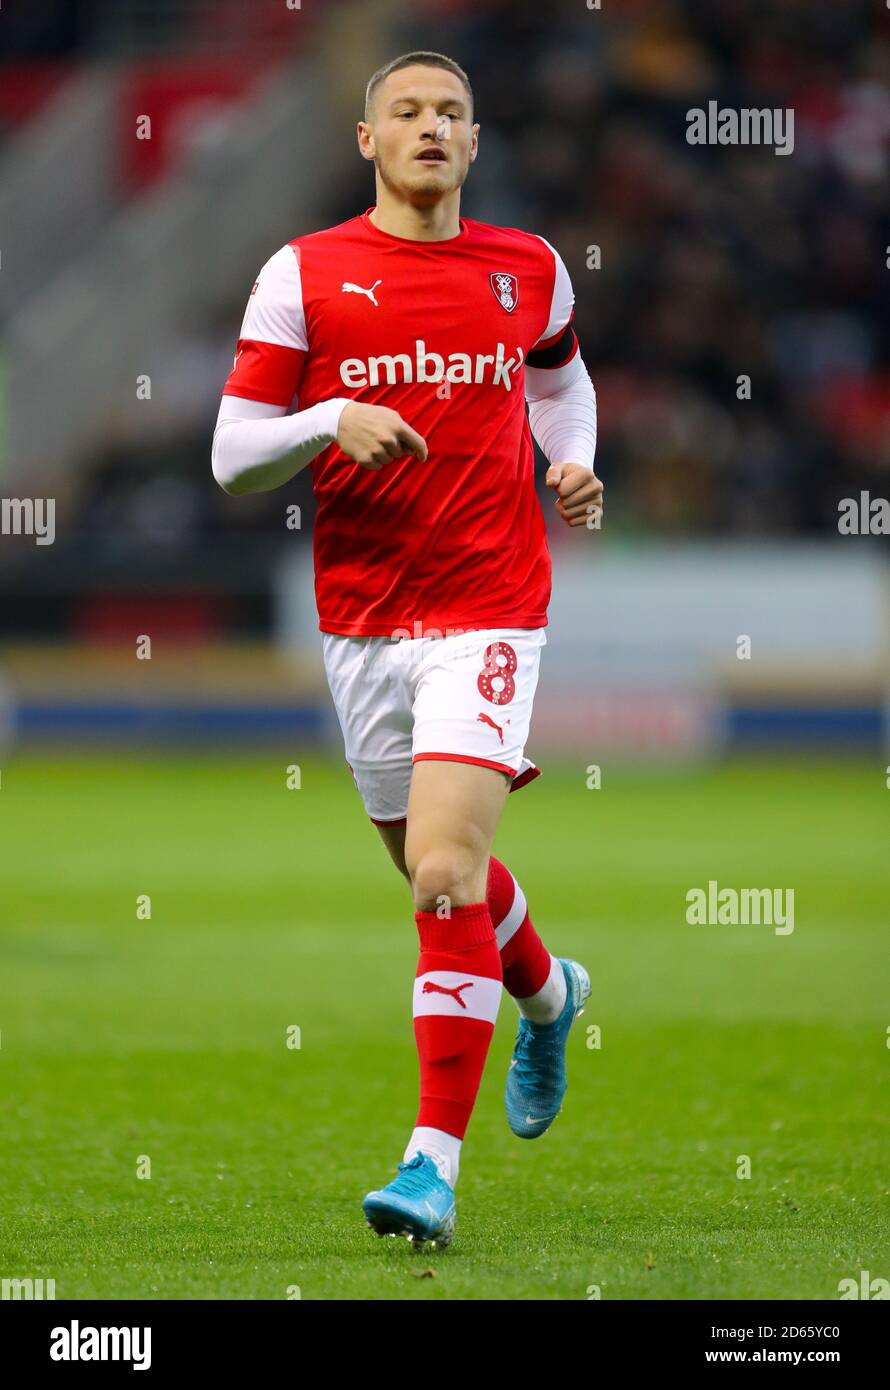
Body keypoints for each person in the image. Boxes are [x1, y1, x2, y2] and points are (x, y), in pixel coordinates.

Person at [212, 50, 602, 1249]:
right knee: (438, 879)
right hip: (361, 619)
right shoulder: (306, 274)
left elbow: (561, 381)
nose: (429, 127)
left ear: (473, 144)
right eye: (405, 112)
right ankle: (546, 992)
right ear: (368, 142)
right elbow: (233, 457)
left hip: (487, 603)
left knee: (443, 871)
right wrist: (330, 416)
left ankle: (429, 1167)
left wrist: (572, 459)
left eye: (450, 113)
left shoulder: (525, 268)